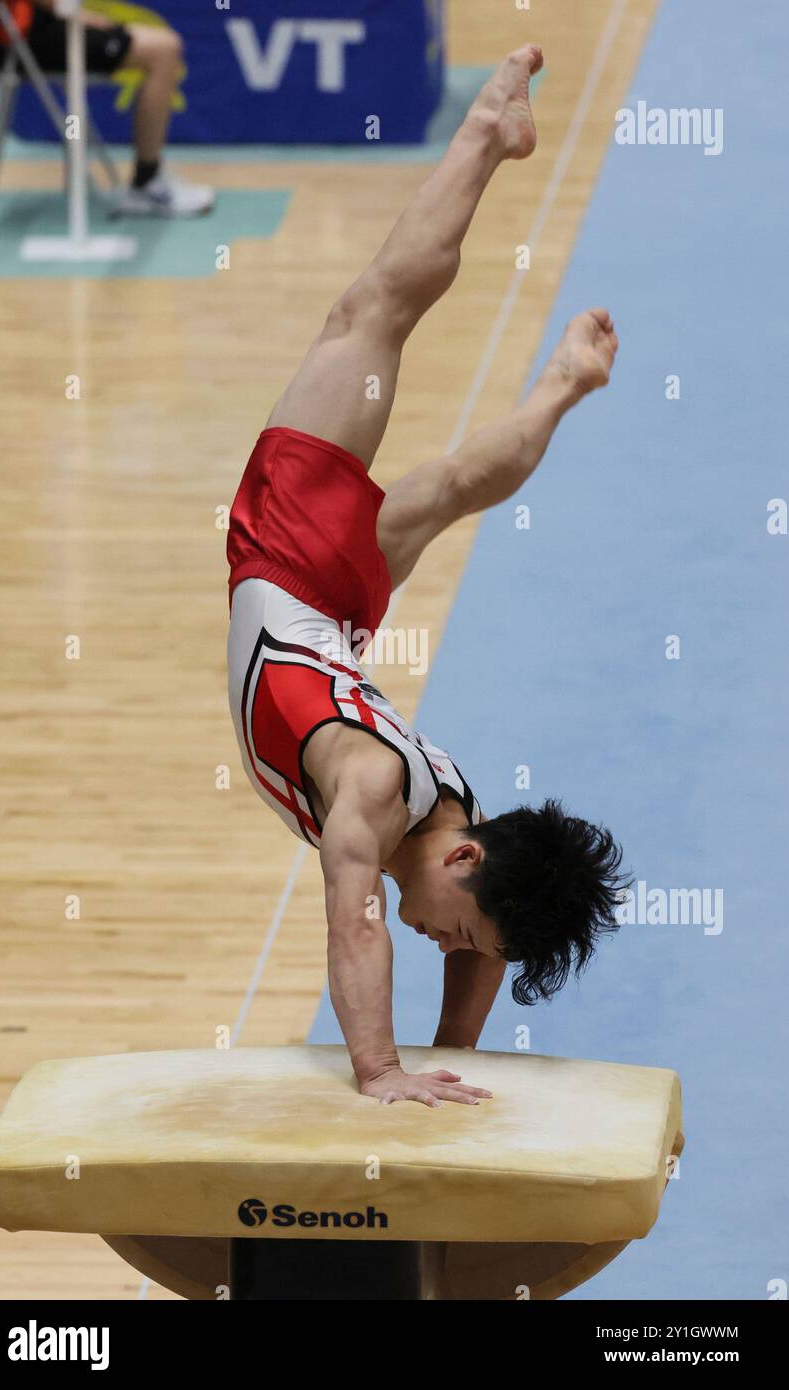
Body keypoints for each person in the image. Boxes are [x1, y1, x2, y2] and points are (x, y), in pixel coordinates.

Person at [226, 45, 628, 1108]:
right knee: (372, 316)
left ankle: (560, 386)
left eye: (463, 940)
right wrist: (382, 1072)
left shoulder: (461, 814)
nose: (453, 946)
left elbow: (485, 945)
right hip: (292, 559)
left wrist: (464, 1052)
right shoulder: (368, 793)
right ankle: (487, 135)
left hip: (335, 611)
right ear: (462, 863)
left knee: (449, 484)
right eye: (457, 929)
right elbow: (355, 920)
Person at [0, 0, 213, 215]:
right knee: (164, 50)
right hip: (33, 37)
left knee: (163, 44)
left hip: (26, 33)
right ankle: (148, 182)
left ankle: (148, 178)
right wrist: (72, 12)